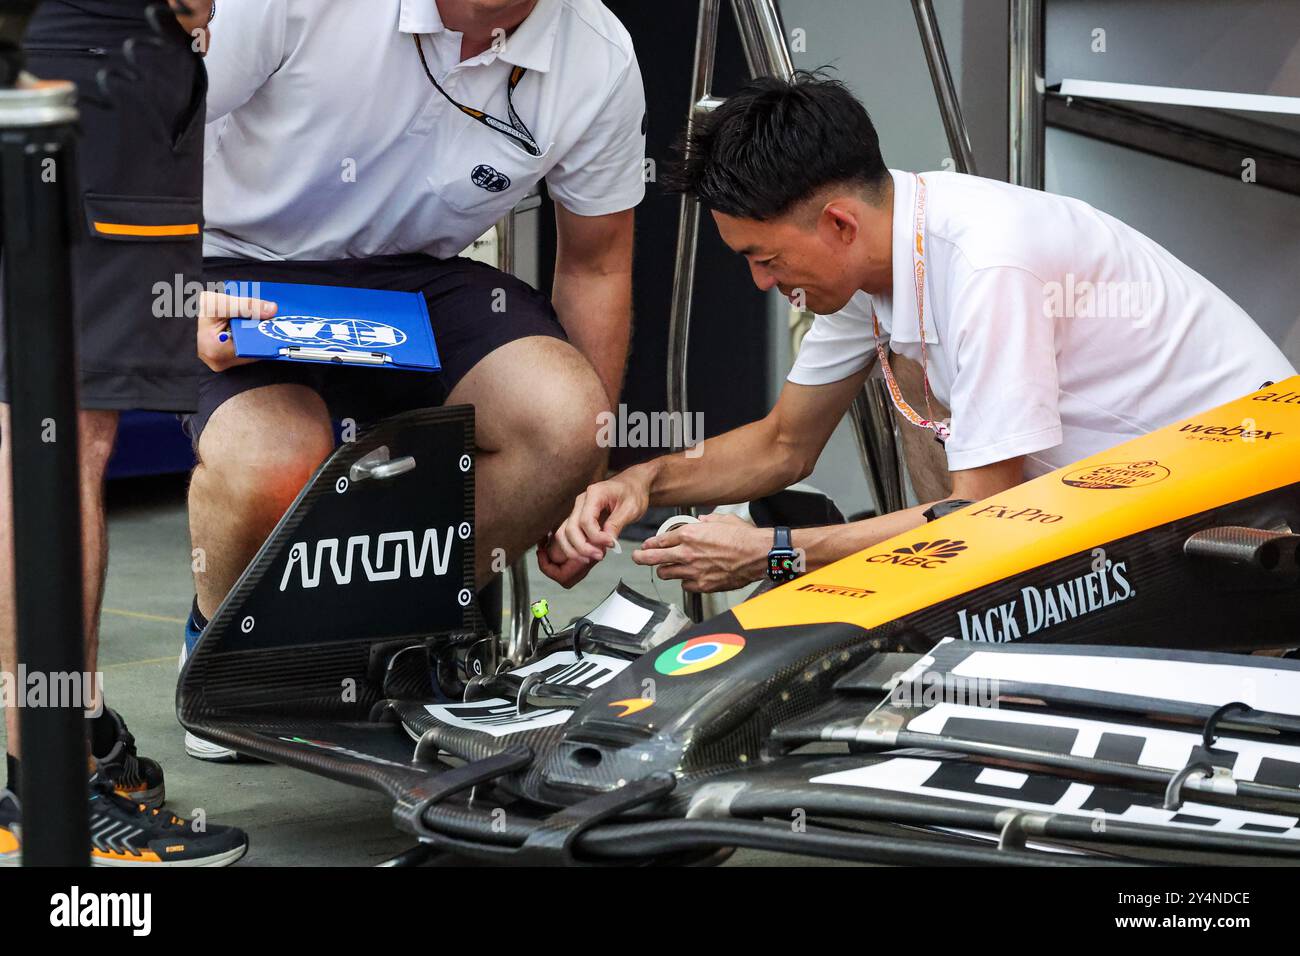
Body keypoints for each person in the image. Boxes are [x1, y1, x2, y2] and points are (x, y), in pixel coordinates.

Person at [538, 73, 1297, 594]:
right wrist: (639, 481)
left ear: (837, 222)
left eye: (765, 260)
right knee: (913, 386)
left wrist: (775, 555)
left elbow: (985, 518)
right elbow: (782, 445)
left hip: (1256, 505)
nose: (762, 285)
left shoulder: (989, 263)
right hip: (1133, 491)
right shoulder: (870, 260)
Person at [182, 0, 645, 760]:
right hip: (231, 260)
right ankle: (228, 648)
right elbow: (126, 150)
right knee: (273, 464)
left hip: (415, 280)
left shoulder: (596, 52)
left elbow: (597, 263)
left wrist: (584, 480)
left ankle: (381, 638)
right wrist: (165, 299)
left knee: (565, 425)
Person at [0, 0, 248, 865]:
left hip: (110, 57)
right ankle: (47, 780)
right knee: (59, 434)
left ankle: (65, 735)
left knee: (50, 425)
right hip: (103, 51)